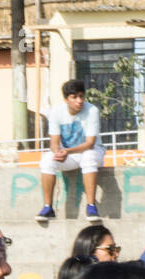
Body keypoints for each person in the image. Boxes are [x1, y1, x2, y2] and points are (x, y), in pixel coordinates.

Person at [36, 79, 104, 224]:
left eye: (81, 96)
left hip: (92, 151)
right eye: (74, 97)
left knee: (88, 157)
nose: (79, 101)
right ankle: (48, 207)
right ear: (66, 99)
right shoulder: (55, 112)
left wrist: (66, 151)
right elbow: (54, 143)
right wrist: (58, 152)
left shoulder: (92, 110)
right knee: (47, 160)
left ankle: (91, 207)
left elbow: (90, 143)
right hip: (69, 155)